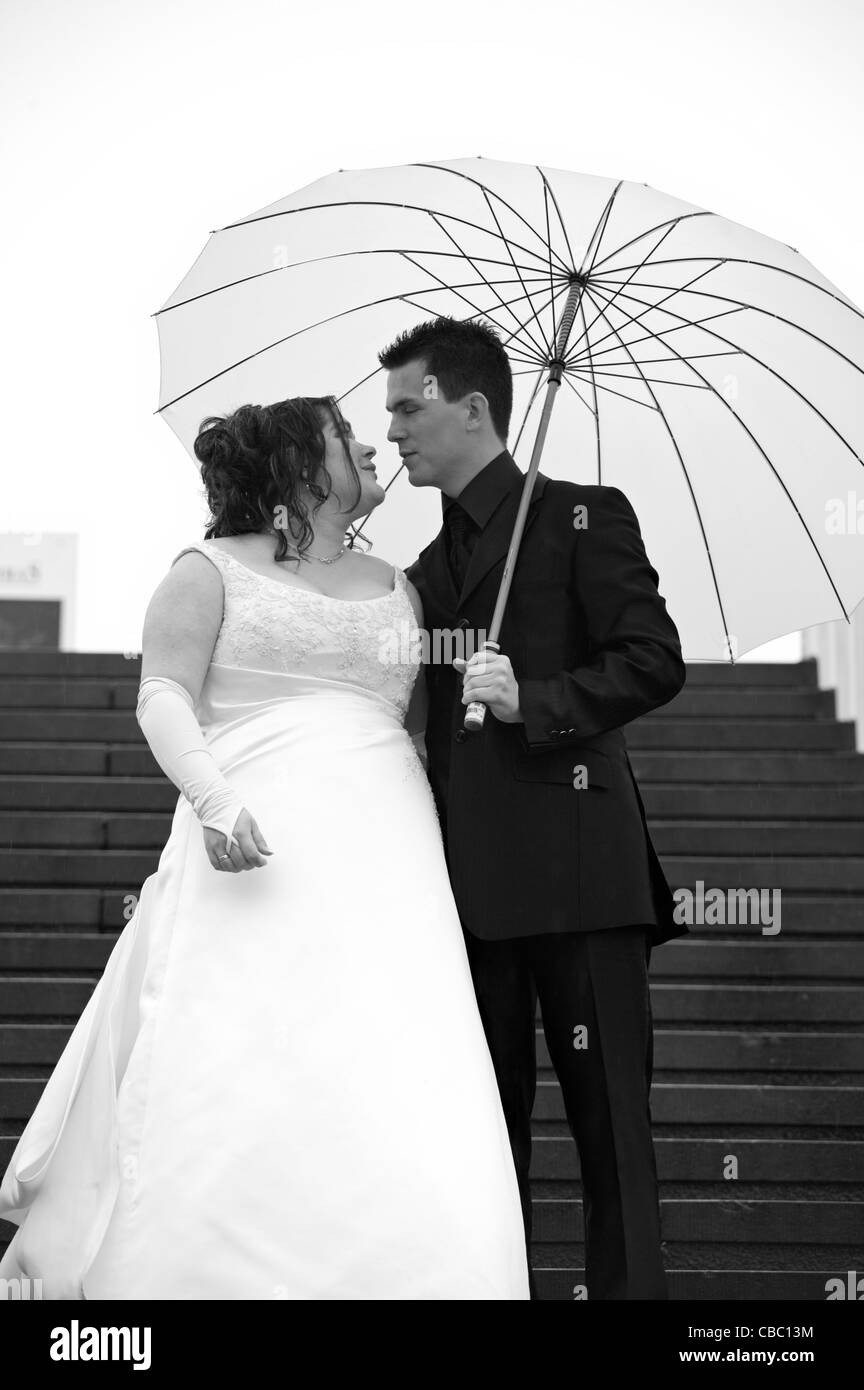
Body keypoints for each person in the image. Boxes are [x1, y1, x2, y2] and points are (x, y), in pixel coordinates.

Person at [0, 395, 530, 1301]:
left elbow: (417, 721)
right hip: (252, 839)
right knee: (246, 1048)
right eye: (343, 436)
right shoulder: (206, 569)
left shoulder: (400, 583)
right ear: (295, 464)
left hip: (389, 859)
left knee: (397, 1058)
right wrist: (212, 800)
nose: (370, 443)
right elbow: (162, 694)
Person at [379, 316, 688, 1300]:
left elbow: (652, 660)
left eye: (408, 406)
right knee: (481, 1157)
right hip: (467, 904)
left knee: (614, 1151)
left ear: (473, 408)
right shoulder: (418, 579)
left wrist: (537, 701)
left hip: (584, 886)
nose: (392, 430)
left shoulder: (585, 515)